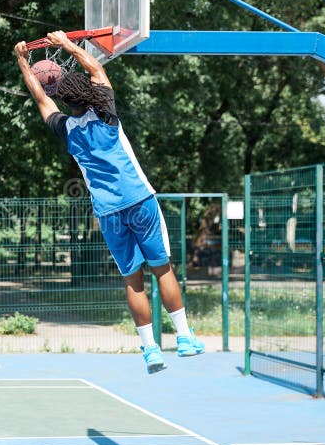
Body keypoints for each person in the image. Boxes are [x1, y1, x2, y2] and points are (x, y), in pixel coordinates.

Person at [14, 31, 205, 374]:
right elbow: (96, 70)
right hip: (139, 200)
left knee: (132, 280)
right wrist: (67, 45)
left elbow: (40, 97)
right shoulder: (105, 113)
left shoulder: (66, 129)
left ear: (65, 102)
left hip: (109, 212)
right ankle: (185, 337)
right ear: (89, 94)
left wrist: (23, 62)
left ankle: (151, 350)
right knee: (162, 269)